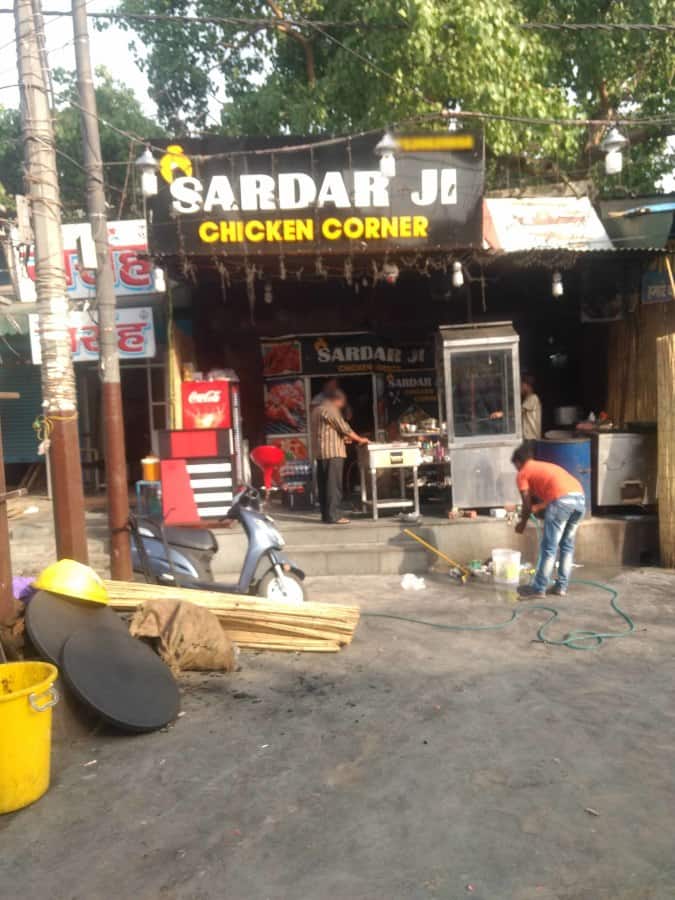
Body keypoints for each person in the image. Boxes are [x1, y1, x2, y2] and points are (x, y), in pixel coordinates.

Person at [512, 442, 585, 599]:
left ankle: (539, 589)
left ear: (518, 462)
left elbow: (526, 503)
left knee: (549, 548)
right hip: (579, 500)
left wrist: (522, 523)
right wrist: (538, 508)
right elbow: (558, 493)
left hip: (561, 503)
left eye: (516, 466)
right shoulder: (543, 467)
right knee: (566, 546)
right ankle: (561, 587)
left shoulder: (523, 473)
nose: (516, 469)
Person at [311, 388, 368, 524]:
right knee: (333, 485)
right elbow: (344, 428)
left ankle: (326, 515)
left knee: (324, 485)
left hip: (321, 452)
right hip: (333, 452)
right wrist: (360, 439)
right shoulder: (330, 409)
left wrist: (344, 437)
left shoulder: (316, 410)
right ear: (337, 400)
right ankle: (334, 516)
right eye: (342, 402)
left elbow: (329, 430)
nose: (342, 406)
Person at [521, 374, 542, 440]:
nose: (520, 387)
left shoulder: (533, 398)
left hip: (531, 438)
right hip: (528, 438)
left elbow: (518, 411)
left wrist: (502, 414)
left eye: (521, 385)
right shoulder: (527, 399)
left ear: (527, 386)